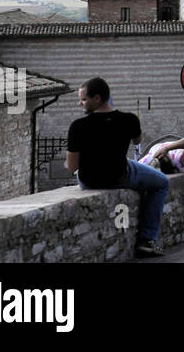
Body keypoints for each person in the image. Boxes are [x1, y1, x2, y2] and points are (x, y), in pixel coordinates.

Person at [66, 77, 169, 257]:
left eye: (83, 99)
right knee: (162, 182)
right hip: (120, 176)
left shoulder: (77, 126)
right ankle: (148, 239)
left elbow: (72, 166)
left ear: (97, 98)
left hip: (88, 181)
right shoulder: (129, 119)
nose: (79, 103)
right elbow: (138, 140)